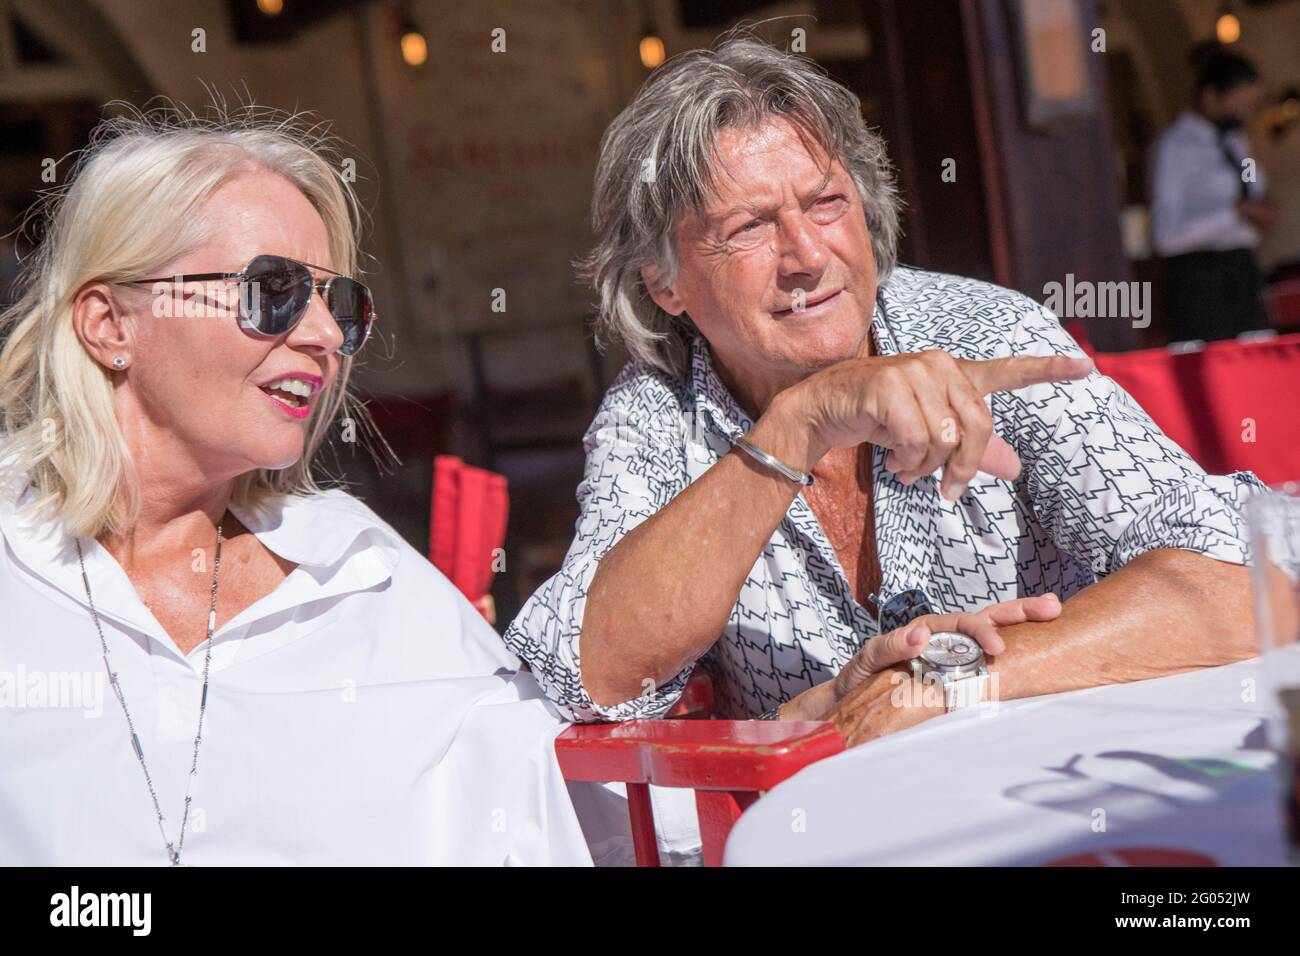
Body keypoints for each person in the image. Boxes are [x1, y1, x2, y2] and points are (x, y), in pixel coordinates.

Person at [504, 34, 1264, 747]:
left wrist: (948, 686)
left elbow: (1244, 581)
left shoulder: (988, 334)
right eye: (747, 228)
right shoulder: (656, 413)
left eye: (826, 203)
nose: (806, 254)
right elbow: (590, 678)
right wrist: (796, 425)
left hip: (1069, 800)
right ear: (664, 284)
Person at [0, 102, 592, 865]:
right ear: (112, 325)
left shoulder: (358, 570)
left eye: (338, 303)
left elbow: (552, 806)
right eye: (270, 291)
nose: (322, 337)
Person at [1151, 45, 1277, 341]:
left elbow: (1254, 188)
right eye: (1240, 105)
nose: (1246, 114)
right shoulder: (1174, 148)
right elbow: (1165, 235)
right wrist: (1235, 213)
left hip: (1243, 272)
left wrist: (1263, 209)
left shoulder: (1236, 143)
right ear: (1211, 97)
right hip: (1200, 281)